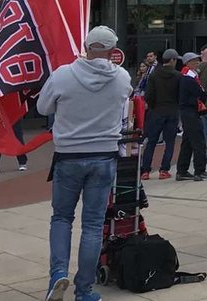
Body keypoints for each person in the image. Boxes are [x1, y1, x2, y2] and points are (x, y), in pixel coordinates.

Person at [36, 25, 132, 301]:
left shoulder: (64, 75)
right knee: (92, 224)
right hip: (104, 156)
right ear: (114, 51)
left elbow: (43, 108)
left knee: (62, 218)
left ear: (87, 47)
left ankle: (58, 274)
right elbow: (124, 100)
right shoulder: (122, 77)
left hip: (69, 155)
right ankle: (85, 290)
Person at [140, 48, 181, 180]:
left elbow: (148, 95)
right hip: (172, 111)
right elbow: (180, 95)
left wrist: (153, 107)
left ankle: (145, 170)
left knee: (151, 141)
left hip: (156, 111)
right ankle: (164, 169)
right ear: (173, 60)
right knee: (169, 142)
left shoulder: (154, 75)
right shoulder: (177, 76)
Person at [175, 53, 207, 183]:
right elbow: (201, 93)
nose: (198, 63)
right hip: (190, 112)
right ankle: (200, 170)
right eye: (195, 61)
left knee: (187, 142)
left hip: (189, 112)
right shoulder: (188, 78)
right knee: (199, 141)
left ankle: (182, 170)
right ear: (188, 63)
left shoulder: (190, 77)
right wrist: (202, 94)